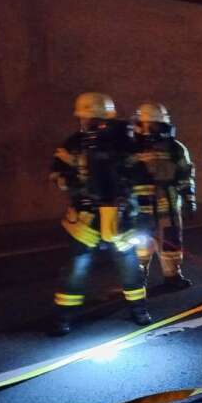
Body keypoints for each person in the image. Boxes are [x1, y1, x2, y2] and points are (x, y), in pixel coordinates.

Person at [47, 92, 152, 336]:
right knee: (77, 267)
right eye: (85, 118)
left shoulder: (127, 143)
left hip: (120, 215)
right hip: (86, 218)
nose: (87, 123)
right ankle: (64, 315)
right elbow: (57, 173)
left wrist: (142, 213)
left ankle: (138, 308)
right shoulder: (74, 143)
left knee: (127, 266)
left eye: (90, 118)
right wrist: (74, 183)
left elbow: (141, 177)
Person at [131, 102, 197, 289]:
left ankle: (172, 276)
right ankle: (137, 277)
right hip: (141, 205)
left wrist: (189, 200)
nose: (148, 128)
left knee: (171, 241)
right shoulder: (132, 148)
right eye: (146, 123)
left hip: (168, 204)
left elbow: (186, 174)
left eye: (153, 124)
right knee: (141, 243)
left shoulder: (176, 148)